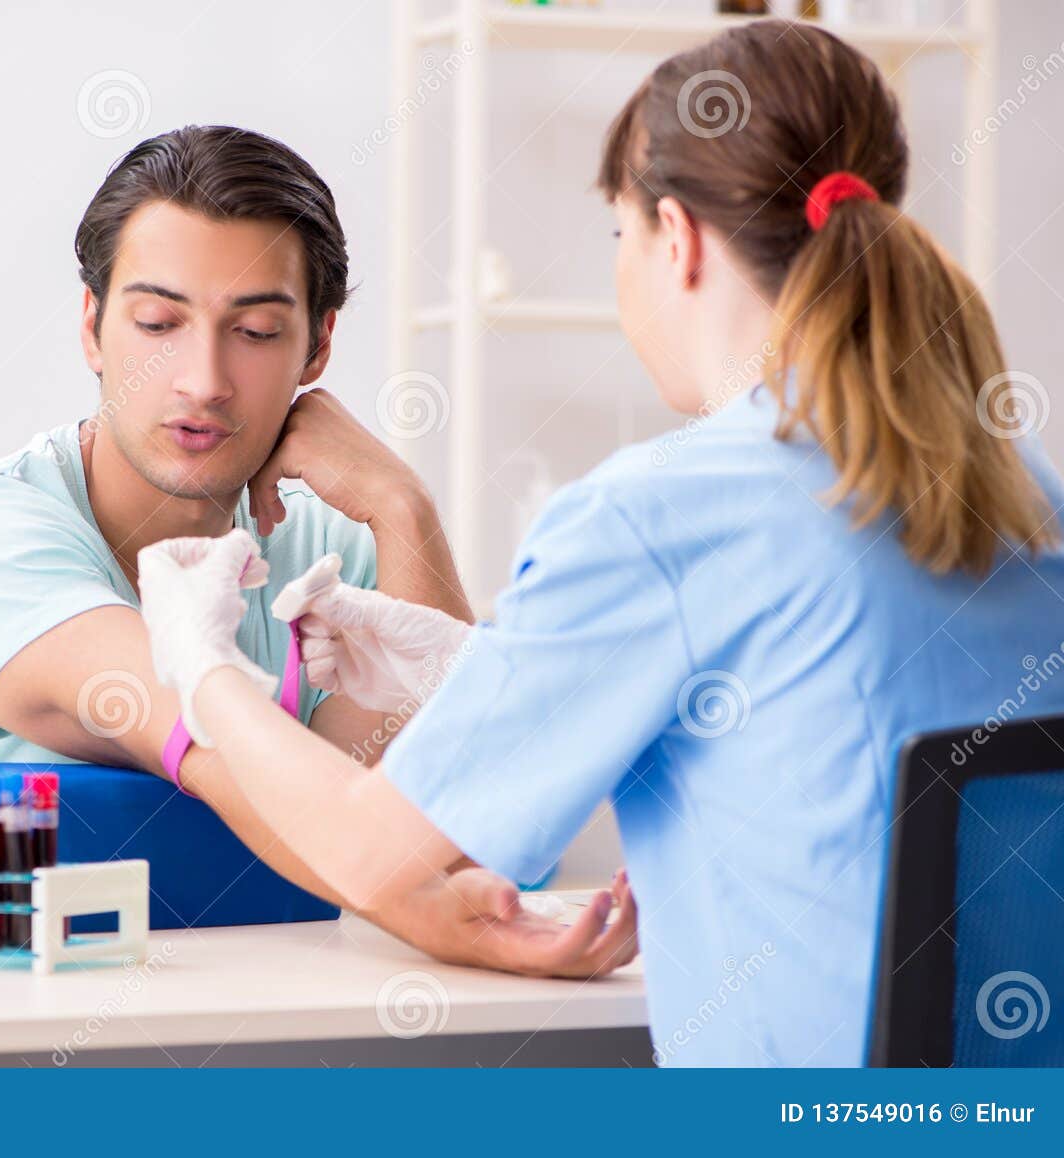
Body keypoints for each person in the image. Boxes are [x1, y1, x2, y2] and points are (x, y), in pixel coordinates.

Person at [134, 21, 1064, 1065]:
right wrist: (485, 673)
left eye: (616, 235)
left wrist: (199, 659)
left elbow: (368, 854)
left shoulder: (660, 512)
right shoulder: (1021, 489)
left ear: (677, 237)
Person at [0, 125, 482, 915]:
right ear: (92, 328)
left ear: (318, 346)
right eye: (159, 324)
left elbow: (448, 809)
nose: (203, 381)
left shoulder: (330, 554)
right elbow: (227, 749)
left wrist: (404, 508)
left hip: (235, 1009)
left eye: (256, 333)